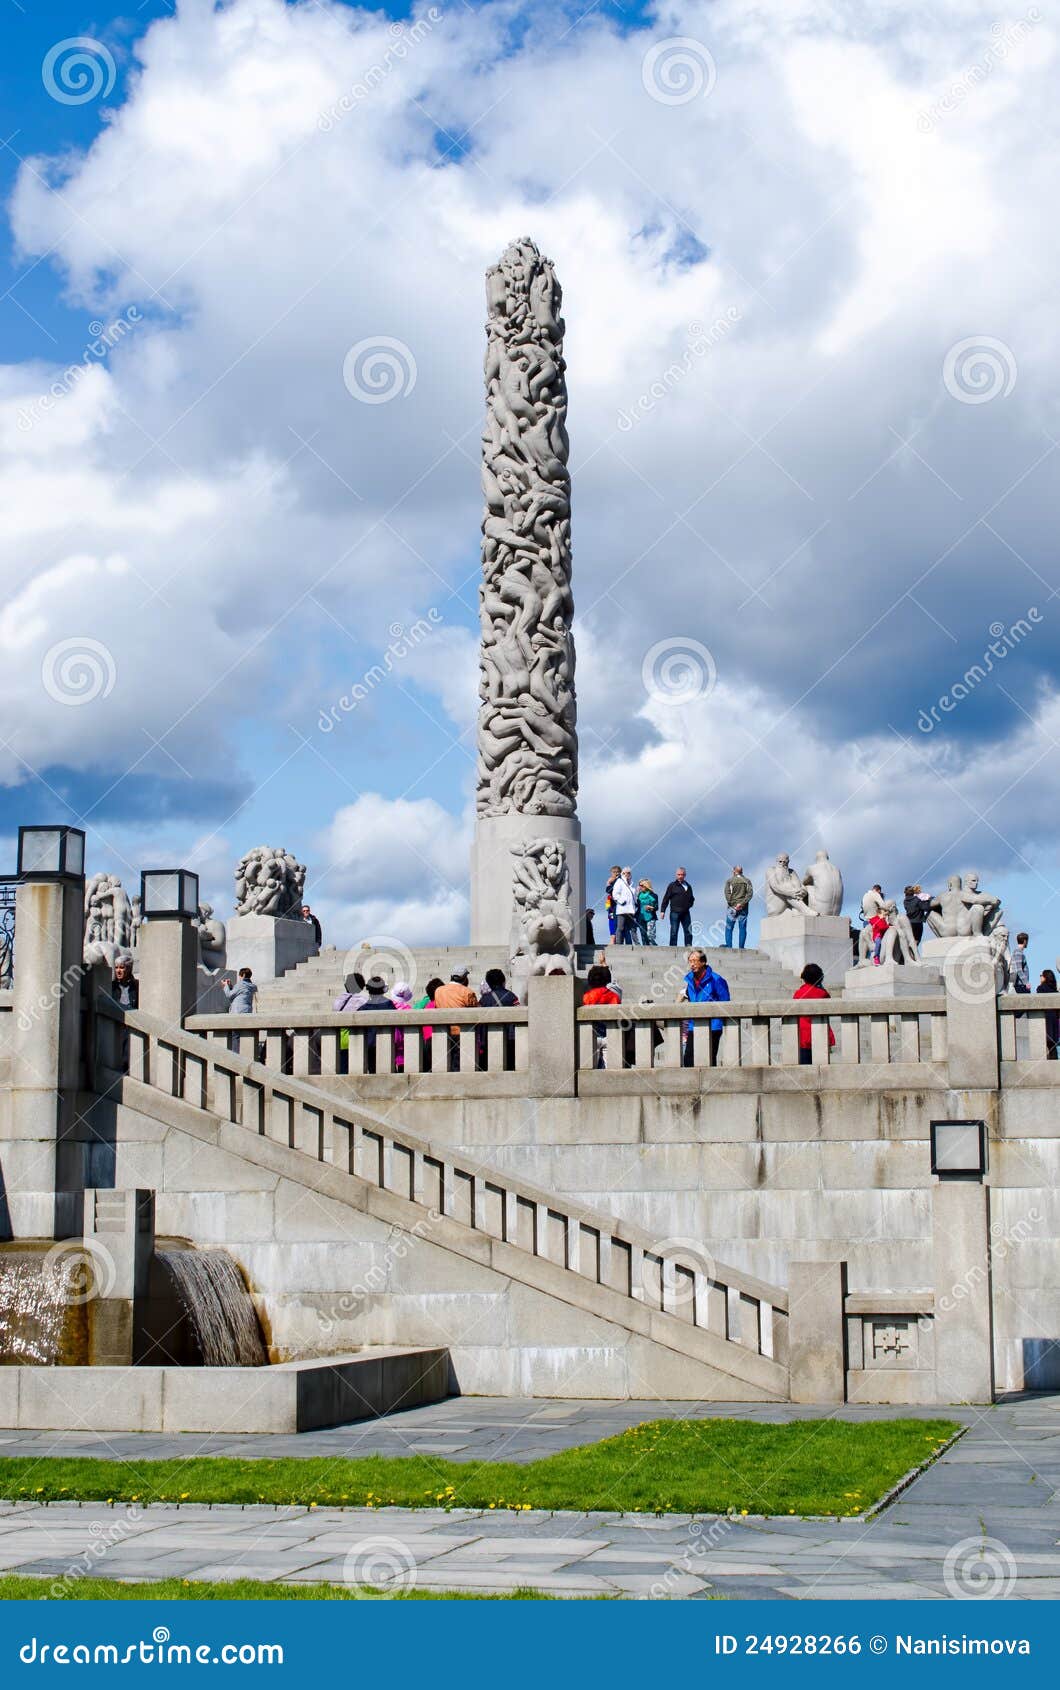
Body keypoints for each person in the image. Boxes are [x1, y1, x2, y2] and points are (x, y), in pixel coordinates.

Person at [680, 948, 729, 1066]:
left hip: (713, 1027)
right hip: (693, 1026)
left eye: (695, 961)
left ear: (703, 962)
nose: (692, 964)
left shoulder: (716, 980)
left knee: (709, 1059)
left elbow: (726, 1002)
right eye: (690, 961)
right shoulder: (690, 980)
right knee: (688, 1060)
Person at [434, 967, 478, 1071]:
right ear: (464, 978)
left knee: (445, 1064)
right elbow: (475, 1013)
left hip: (443, 1032)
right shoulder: (468, 992)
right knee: (459, 1064)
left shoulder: (438, 991)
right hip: (461, 1033)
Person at [793, 962, 836, 1065]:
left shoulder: (798, 993)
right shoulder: (822, 993)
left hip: (803, 1036)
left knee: (805, 1067)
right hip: (821, 1034)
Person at [477, 967, 520, 1069]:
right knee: (510, 1065)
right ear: (503, 981)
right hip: (509, 1038)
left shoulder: (484, 999)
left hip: (488, 1039)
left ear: (488, 983)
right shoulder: (511, 996)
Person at [582, 963, 622, 1068]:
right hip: (609, 1034)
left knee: (590, 1068)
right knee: (609, 1070)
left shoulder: (586, 997)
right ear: (607, 980)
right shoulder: (614, 995)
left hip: (592, 1035)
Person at [661, 867, 695, 947]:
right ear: (676, 875)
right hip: (674, 912)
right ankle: (673, 949)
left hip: (686, 913)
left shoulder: (688, 886)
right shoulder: (672, 886)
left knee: (688, 932)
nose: (680, 876)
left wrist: (688, 906)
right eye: (679, 874)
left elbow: (692, 899)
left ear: (685, 875)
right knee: (674, 931)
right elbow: (666, 898)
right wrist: (663, 911)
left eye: (682, 875)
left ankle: (688, 947)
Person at [723, 865, 753, 950]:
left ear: (733, 871)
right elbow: (750, 894)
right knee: (742, 927)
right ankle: (741, 948)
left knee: (729, 927)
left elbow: (727, 894)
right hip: (744, 908)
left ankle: (729, 946)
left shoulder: (729, 881)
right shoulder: (747, 881)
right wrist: (742, 904)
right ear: (742, 871)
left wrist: (734, 905)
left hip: (732, 908)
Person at [611, 866, 638, 945]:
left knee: (633, 928)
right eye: (627, 873)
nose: (628, 874)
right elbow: (615, 894)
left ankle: (636, 944)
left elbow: (634, 896)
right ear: (623, 873)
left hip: (631, 910)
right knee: (620, 927)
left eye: (629, 873)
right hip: (622, 910)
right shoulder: (619, 882)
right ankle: (619, 944)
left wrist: (636, 904)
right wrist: (621, 901)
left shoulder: (632, 884)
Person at [1038, 969, 1059, 1058]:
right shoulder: (1055, 991)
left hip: (1046, 1018)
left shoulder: (1041, 988)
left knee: (1047, 1043)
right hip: (1055, 1020)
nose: (1040, 977)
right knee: (1053, 1045)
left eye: (1041, 975)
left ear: (1045, 977)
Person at [637, 879, 659, 945]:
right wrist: (637, 895)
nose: (640, 887)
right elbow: (636, 905)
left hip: (650, 917)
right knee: (643, 935)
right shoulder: (639, 896)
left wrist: (651, 907)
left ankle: (654, 947)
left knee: (650, 935)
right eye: (639, 885)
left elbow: (656, 907)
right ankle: (645, 950)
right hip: (641, 917)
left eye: (641, 885)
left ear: (646, 886)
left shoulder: (654, 895)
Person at [604, 867, 620, 942]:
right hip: (611, 907)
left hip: (618, 907)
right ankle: (612, 939)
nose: (615, 873)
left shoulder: (620, 881)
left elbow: (609, 890)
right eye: (613, 872)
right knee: (611, 924)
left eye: (617, 872)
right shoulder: (611, 881)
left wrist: (608, 883)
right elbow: (608, 892)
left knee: (617, 925)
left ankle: (614, 940)